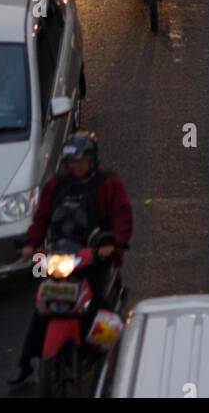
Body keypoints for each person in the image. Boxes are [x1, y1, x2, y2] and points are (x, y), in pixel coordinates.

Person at [8, 132, 133, 388]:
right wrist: (31, 245)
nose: (76, 166)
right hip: (58, 257)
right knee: (42, 309)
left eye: (81, 161)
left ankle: (107, 353)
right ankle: (25, 363)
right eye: (71, 162)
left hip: (95, 257)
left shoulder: (109, 184)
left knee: (98, 302)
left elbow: (123, 217)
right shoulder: (56, 185)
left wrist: (113, 243)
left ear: (92, 160)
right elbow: (41, 218)